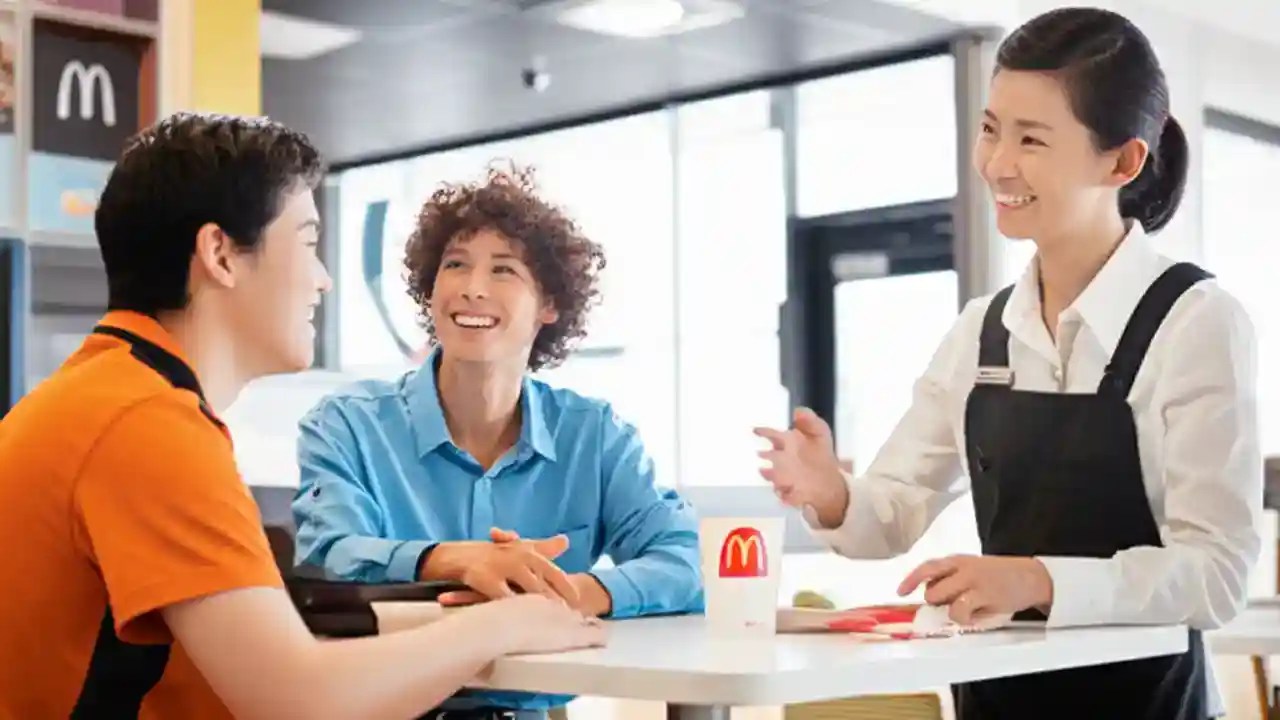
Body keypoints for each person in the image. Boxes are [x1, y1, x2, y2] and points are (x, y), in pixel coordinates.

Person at [0, 113, 605, 720]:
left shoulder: (107, 393)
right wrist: (506, 622)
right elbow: (299, 702)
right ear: (221, 255)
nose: (323, 280)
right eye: (309, 243)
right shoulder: (145, 425)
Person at [757, 8, 1260, 720]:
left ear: (1122, 161)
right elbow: (892, 513)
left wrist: (1035, 580)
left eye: (1032, 139)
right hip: (999, 704)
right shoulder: (981, 331)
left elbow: (1216, 574)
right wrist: (832, 493)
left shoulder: (1196, 321)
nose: (997, 163)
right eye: (991, 129)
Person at [292, 164, 703, 717]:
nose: (472, 288)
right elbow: (329, 557)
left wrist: (577, 592)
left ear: (550, 305)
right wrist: (454, 561)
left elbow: (688, 559)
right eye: (454, 265)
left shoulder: (595, 436)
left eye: (503, 270)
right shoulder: (346, 426)